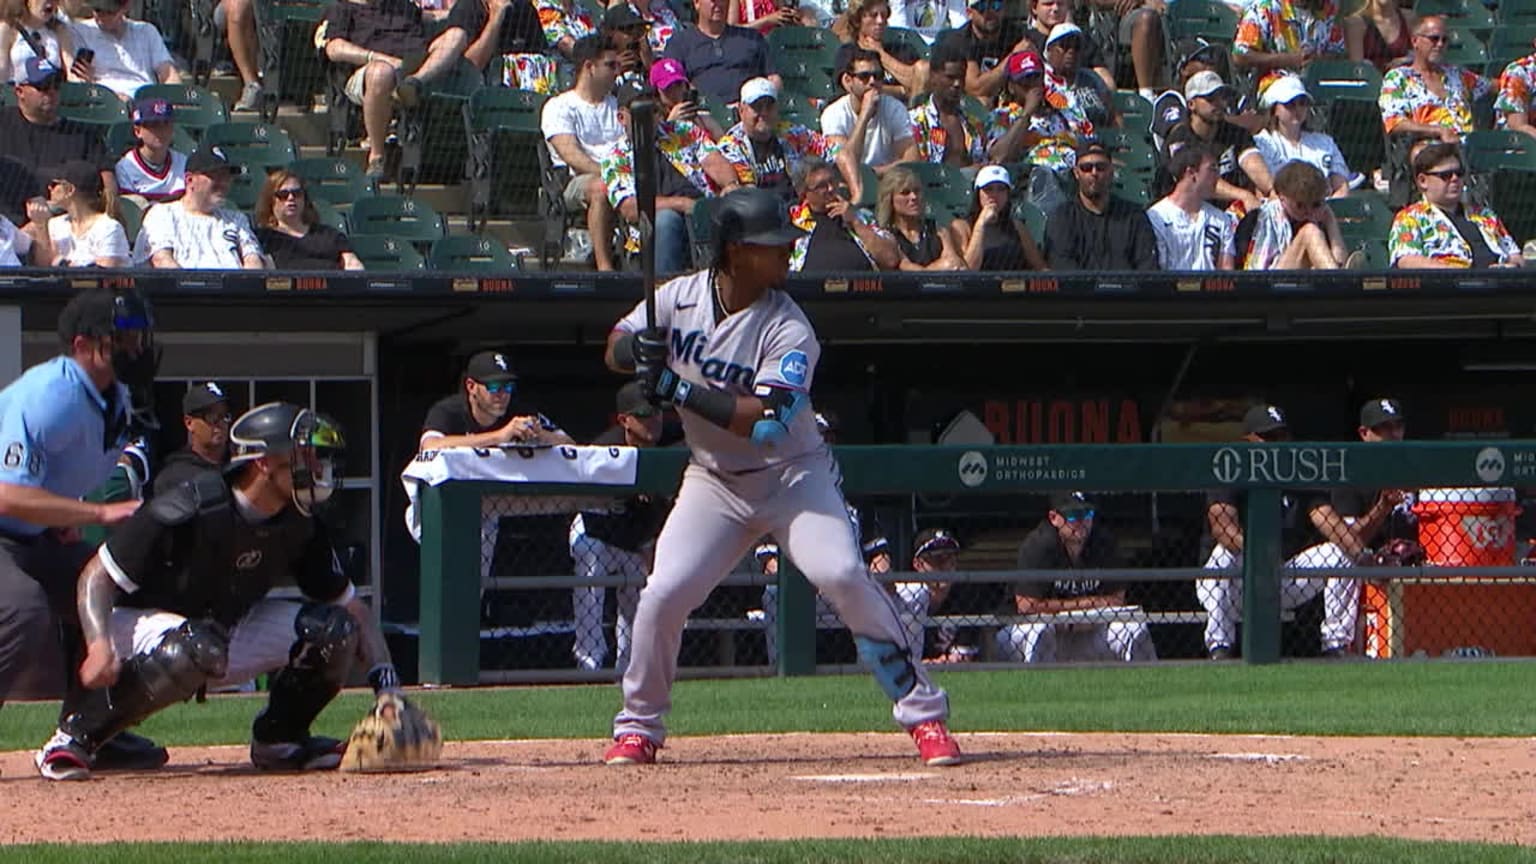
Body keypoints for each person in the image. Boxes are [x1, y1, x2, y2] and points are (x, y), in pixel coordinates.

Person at [600, 187, 959, 767]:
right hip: (714, 482)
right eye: (774, 246)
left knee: (844, 574)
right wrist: (634, 352)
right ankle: (638, 725)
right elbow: (613, 347)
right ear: (737, 252)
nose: (787, 253)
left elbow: (763, 422)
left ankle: (924, 713)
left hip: (794, 477)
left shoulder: (790, 326)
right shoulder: (677, 297)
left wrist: (675, 387)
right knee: (663, 593)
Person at [33, 403, 404, 779]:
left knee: (334, 630)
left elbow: (352, 607)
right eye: (302, 456)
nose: (316, 467)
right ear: (262, 463)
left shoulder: (300, 523)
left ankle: (280, 740)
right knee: (197, 645)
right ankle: (73, 738)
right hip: (131, 629)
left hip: (215, 634)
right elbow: (96, 576)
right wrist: (98, 645)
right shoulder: (188, 504)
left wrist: (388, 691)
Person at [0, 287, 164, 771]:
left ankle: (90, 729)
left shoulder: (115, 394)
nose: (135, 349)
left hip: (30, 533)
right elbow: (6, 493)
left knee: (107, 587)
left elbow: (50, 474)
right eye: (120, 339)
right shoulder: (52, 394)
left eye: (137, 337)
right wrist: (93, 514)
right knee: (23, 613)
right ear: (81, 345)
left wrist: (58, 517)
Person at [1196, 403, 1361, 660]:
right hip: (1237, 580)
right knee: (1223, 555)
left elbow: (1326, 518)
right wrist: (1260, 555)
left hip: (1282, 575)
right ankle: (1220, 646)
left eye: (1282, 435)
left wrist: (1363, 553)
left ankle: (1335, 645)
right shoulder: (1231, 471)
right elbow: (1223, 528)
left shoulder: (1298, 471)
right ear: (1247, 440)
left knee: (1341, 552)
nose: (1277, 443)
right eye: (1268, 437)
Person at [418, 350, 575, 602]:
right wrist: (498, 437)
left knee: (471, 591)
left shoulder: (518, 410)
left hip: (487, 509)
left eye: (508, 386)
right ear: (471, 386)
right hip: (436, 509)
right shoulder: (449, 410)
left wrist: (541, 435)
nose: (502, 394)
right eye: (493, 386)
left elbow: (570, 444)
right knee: (444, 581)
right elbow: (430, 446)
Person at [570, 380, 678, 671]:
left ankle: (629, 669)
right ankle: (588, 662)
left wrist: (650, 543)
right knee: (589, 572)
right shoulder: (605, 449)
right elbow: (600, 512)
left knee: (637, 604)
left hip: (638, 537)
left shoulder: (670, 441)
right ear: (624, 420)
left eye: (656, 413)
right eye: (643, 414)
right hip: (598, 532)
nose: (653, 420)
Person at [995, 491, 1156, 664]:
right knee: (1042, 629)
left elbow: (1117, 600)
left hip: (1088, 630)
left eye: (1087, 514)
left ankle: (1148, 685)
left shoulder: (1103, 542)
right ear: (1054, 517)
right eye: (1072, 515)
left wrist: (1073, 616)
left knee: (1134, 628)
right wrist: (1083, 606)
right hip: (1026, 633)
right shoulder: (1039, 545)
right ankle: (1038, 687)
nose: (1081, 521)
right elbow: (1027, 607)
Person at [321, 0, 471, 177]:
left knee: (456, 34)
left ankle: (415, 83)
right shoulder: (342, 7)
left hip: (415, 67)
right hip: (371, 71)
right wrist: (377, 58)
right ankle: (377, 156)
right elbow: (334, 48)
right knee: (381, 73)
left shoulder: (402, 6)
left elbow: (433, 17)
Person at [541, 33, 624, 272]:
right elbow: (571, 156)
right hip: (575, 182)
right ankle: (605, 268)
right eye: (610, 65)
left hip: (622, 177)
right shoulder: (559, 107)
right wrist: (611, 174)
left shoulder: (618, 105)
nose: (617, 71)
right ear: (589, 67)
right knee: (601, 187)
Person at [1390, 142, 1522, 269]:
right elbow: (1407, 260)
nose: (1455, 179)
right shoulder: (1410, 218)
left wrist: (1511, 266)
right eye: (1445, 175)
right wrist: (1454, 274)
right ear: (1423, 181)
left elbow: (1515, 255)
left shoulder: (1485, 215)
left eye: (1459, 173)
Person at [136, 143, 267, 269]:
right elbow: (162, 261)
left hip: (234, 289)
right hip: (182, 290)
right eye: (215, 176)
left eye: (227, 177)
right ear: (190, 180)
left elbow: (253, 261)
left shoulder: (236, 219)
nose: (223, 183)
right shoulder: (162, 214)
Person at [1162, 71, 1272, 213]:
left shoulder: (1235, 133)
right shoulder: (1180, 139)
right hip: (1186, 211)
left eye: (1222, 97)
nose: (1219, 103)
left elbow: (1253, 163)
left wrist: (1273, 190)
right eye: (1211, 98)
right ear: (1191, 104)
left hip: (1231, 211)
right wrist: (1243, 195)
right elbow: (1201, 182)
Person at [1044, 138, 1160, 270]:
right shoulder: (1061, 218)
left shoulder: (1134, 216)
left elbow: (1146, 267)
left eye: (1101, 167)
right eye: (1086, 168)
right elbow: (1063, 269)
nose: (1094, 173)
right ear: (1076, 173)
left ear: (1111, 171)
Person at [788, 157, 902, 272]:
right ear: (803, 193)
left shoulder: (862, 216)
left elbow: (890, 259)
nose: (831, 188)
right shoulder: (792, 221)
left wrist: (855, 222)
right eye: (822, 186)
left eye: (832, 181)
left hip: (863, 286)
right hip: (808, 287)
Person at [1234, 160, 1351, 270]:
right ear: (1282, 198)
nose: (1308, 212)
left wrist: (1330, 222)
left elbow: (1341, 263)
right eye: (1300, 205)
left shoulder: (1321, 216)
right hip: (1268, 284)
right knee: (1310, 232)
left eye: (1315, 204)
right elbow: (1254, 269)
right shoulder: (1263, 219)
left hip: (1310, 283)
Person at [661, 0, 777, 110]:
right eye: (713, 0)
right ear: (697, 3)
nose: (718, 4)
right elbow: (669, 87)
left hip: (749, 114)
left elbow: (773, 77)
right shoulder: (680, 43)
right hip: (702, 116)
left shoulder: (751, 38)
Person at [1252, 75, 1353, 198]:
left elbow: (1342, 188)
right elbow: (1262, 192)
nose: (1297, 109)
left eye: (1302, 103)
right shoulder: (1262, 143)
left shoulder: (1326, 143)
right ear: (1275, 110)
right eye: (1290, 104)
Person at [819, 47, 917, 173]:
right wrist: (864, 115)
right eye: (864, 76)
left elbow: (912, 160)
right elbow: (843, 165)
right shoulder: (833, 114)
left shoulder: (895, 109)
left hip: (888, 183)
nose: (872, 82)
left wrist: (872, 174)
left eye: (878, 76)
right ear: (848, 81)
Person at [68, 0, 181, 101]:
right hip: (104, 100)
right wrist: (115, 97)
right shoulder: (80, 31)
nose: (102, 17)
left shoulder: (146, 31)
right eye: (97, 10)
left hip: (146, 100)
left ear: (126, 7)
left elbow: (169, 74)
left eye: (109, 12)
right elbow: (79, 80)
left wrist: (176, 99)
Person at [1148, 143, 1235, 271]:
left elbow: (1226, 270)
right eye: (1212, 169)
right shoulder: (1156, 218)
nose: (1218, 177)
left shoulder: (1221, 220)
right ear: (1191, 173)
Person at [254, 171, 364, 270]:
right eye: (283, 195)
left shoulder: (329, 235)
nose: (291, 198)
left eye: (297, 193)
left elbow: (351, 263)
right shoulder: (263, 239)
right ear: (270, 201)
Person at [37, 159, 129, 267]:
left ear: (70, 190)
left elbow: (105, 277)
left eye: (54, 184)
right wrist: (40, 226)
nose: (49, 188)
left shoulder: (109, 228)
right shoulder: (55, 224)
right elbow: (43, 266)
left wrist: (61, 263)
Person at [956, 164, 1047, 271]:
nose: (995, 194)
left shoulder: (1017, 227)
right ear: (978, 193)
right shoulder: (963, 226)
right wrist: (980, 224)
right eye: (988, 189)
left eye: (1001, 189)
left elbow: (1040, 267)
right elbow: (968, 271)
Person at [875, 164, 966, 270]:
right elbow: (906, 268)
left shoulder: (937, 229)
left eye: (917, 191)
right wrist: (939, 267)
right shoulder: (886, 236)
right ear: (890, 199)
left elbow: (953, 262)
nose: (913, 197)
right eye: (905, 193)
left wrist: (937, 268)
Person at [892, 526, 961, 662]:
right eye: (938, 560)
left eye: (950, 560)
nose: (946, 567)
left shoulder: (962, 598)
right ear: (918, 564)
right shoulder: (905, 601)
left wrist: (953, 659)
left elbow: (966, 654)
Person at [153, 381, 231, 495]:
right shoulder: (174, 476)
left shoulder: (240, 466)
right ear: (189, 423)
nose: (220, 423)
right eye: (211, 417)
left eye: (225, 416)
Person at [113, 98, 187, 204]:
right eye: (154, 125)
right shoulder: (125, 167)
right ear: (138, 131)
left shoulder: (184, 163)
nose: (161, 131)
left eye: (166, 124)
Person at [0, 0, 76, 85]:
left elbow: (71, 71)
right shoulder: (9, 28)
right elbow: (2, 71)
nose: (51, 2)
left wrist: (85, 80)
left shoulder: (60, 30)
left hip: (50, 93)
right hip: (19, 93)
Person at [1345, 0, 1415, 74]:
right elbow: (1357, 68)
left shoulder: (1408, 18)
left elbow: (1418, 56)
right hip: (1372, 82)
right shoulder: (1356, 22)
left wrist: (1404, 61)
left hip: (1402, 81)